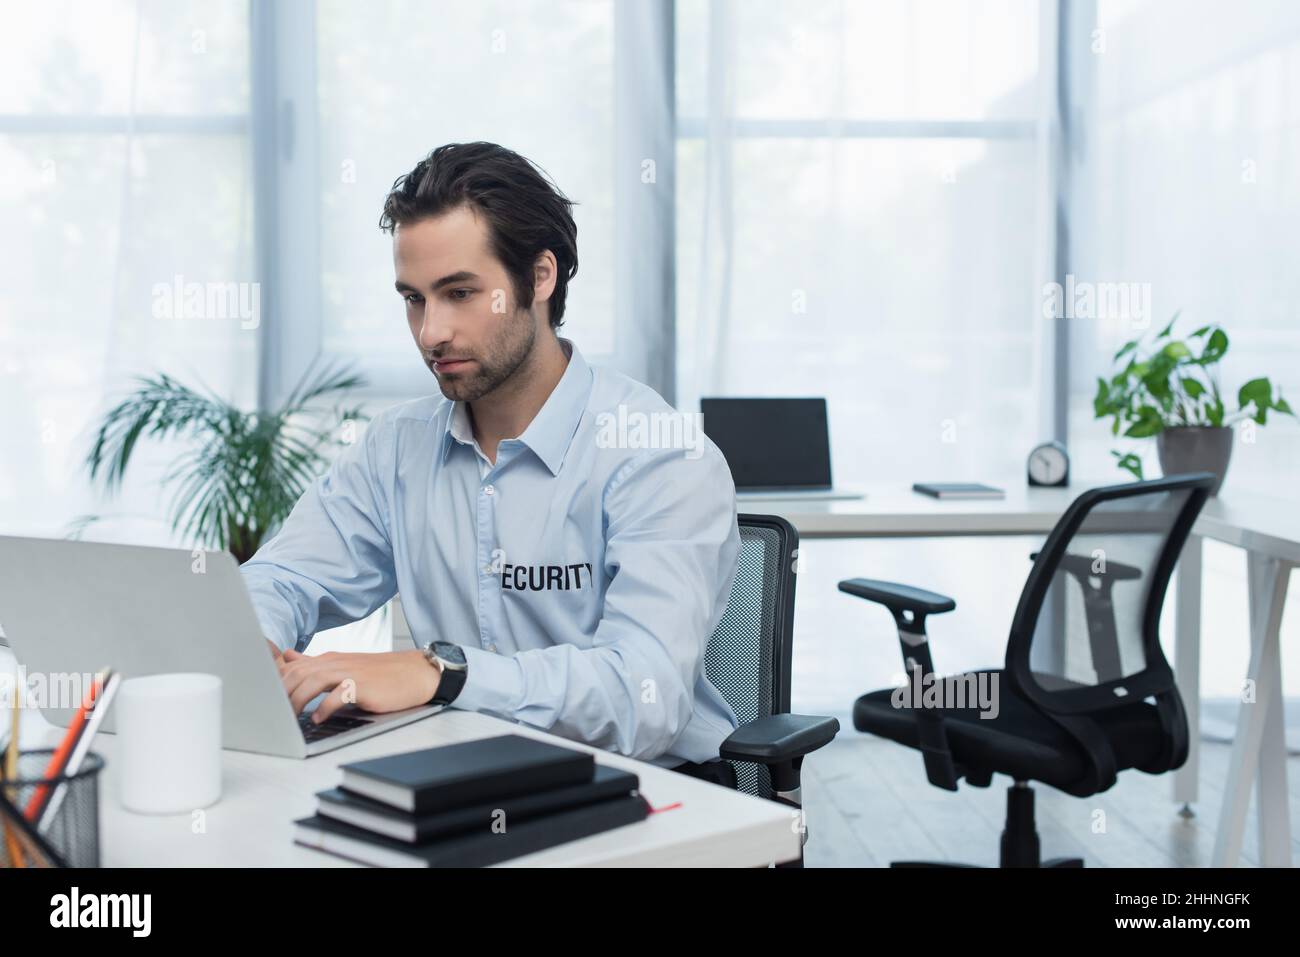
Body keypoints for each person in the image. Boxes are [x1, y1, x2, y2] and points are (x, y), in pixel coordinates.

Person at [239, 141, 742, 770]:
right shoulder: (399, 447)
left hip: (651, 792)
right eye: (414, 298)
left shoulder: (659, 456)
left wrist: (443, 675)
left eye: (459, 294)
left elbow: (644, 698)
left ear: (539, 277)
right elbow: (286, 578)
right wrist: (251, 640)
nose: (431, 333)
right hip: (470, 779)